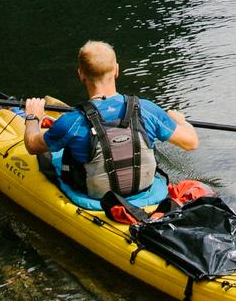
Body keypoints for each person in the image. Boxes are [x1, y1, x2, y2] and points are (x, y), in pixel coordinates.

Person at [22, 41, 198, 216]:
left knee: (53, 157)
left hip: (96, 200)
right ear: (116, 70)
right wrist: (180, 121)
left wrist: (32, 117)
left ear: (81, 74)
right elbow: (191, 142)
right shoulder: (147, 110)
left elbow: (32, 145)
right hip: (147, 194)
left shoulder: (71, 121)